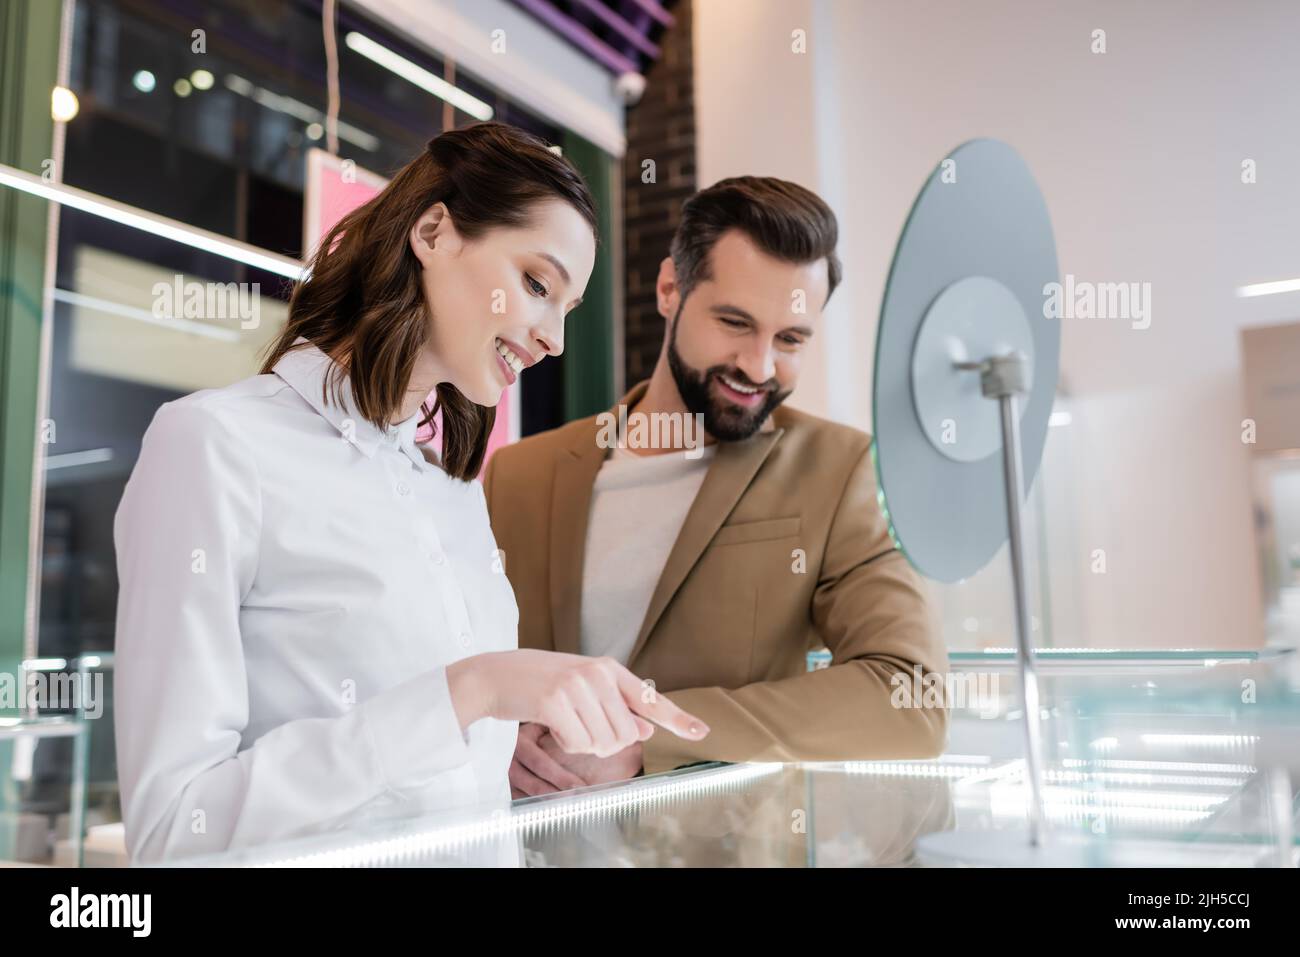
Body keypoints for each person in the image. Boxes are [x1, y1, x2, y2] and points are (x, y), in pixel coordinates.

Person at [113, 122, 707, 862]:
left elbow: (454, 805)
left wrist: (519, 753)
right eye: (535, 284)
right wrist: (474, 690)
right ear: (433, 232)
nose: (553, 337)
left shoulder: (454, 497)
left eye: (567, 310)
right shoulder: (214, 446)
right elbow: (174, 831)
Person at [483, 176, 948, 797]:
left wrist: (651, 738)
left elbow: (911, 697)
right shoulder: (519, 474)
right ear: (670, 287)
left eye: (790, 340)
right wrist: (487, 737)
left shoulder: (838, 471)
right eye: (735, 322)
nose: (759, 367)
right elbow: (447, 667)